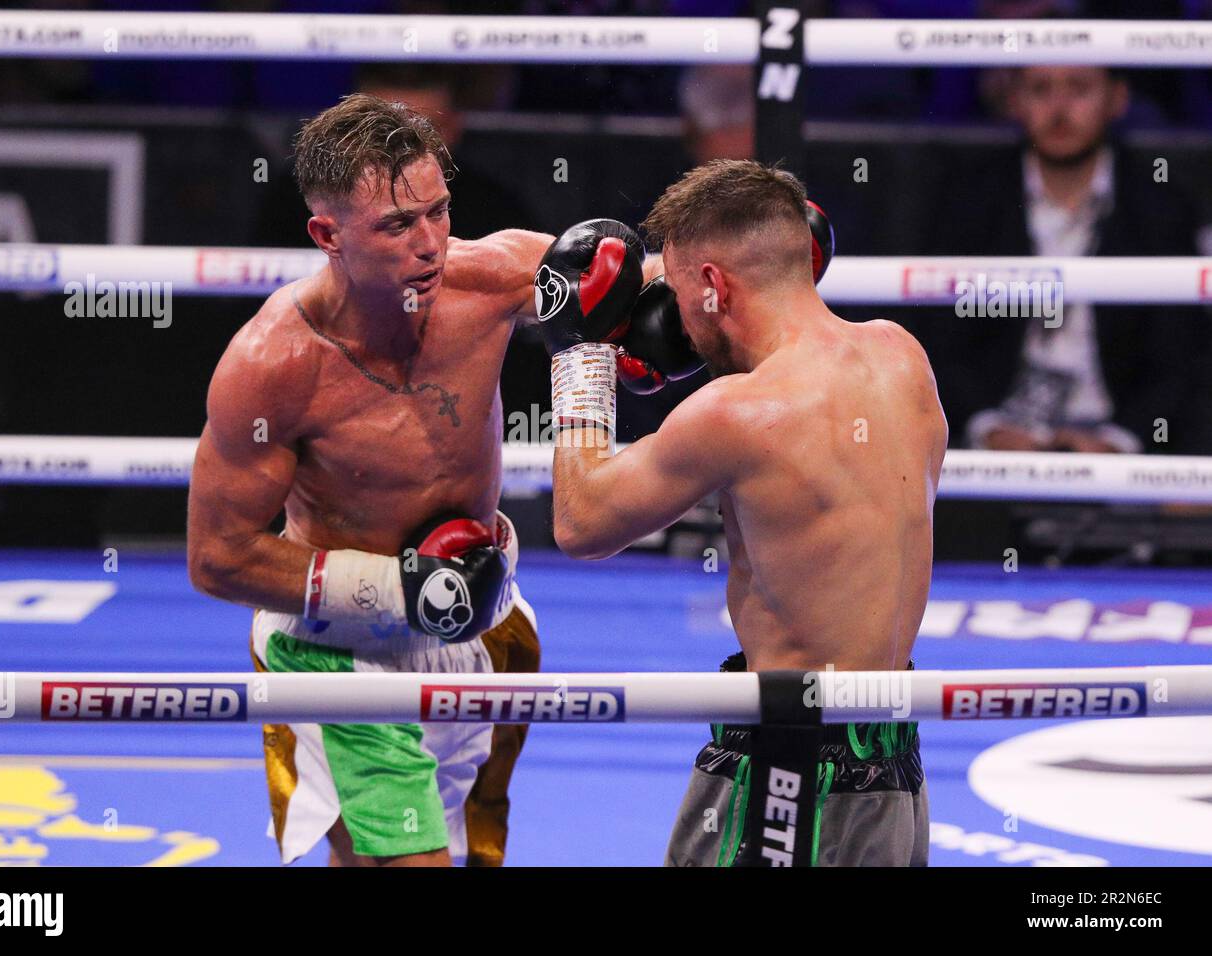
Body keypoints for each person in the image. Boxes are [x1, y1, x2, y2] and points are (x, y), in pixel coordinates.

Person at [537, 160, 946, 866]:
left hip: (788, 767)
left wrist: (581, 355)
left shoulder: (737, 414)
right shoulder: (903, 358)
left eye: (678, 292)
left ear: (713, 286)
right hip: (894, 766)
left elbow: (580, 522)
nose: (676, 324)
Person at [187, 94, 557, 868]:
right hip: (341, 648)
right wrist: (393, 590)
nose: (430, 245)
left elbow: (665, 288)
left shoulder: (492, 279)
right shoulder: (273, 367)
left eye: (439, 212)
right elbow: (217, 557)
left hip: (482, 622)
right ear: (327, 235)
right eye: (397, 225)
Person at [925, 65, 1208, 455]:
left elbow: (1181, 355)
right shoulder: (968, 198)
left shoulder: (1160, 206)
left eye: (1078, 88)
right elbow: (937, 337)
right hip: (994, 446)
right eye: (1041, 89)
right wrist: (986, 426)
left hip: (1116, 447)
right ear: (1015, 100)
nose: (1059, 108)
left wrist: (1119, 441)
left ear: (1118, 98)